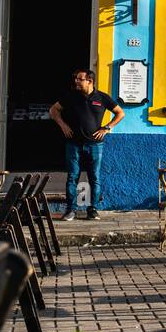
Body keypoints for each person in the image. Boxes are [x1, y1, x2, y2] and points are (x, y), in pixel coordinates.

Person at [48, 69, 124, 221]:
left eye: (79, 79)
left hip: (95, 145)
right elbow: (53, 110)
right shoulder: (70, 96)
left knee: (94, 177)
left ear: (89, 81)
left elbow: (120, 113)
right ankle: (71, 210)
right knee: (72, 177)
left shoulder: (102, 97)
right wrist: (62, 125)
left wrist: (107, 128)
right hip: (73, 144)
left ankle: (93, 210)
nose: (76, 81)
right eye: (76, 78)